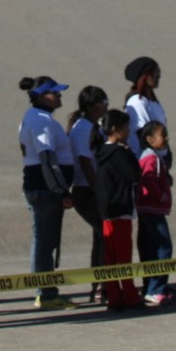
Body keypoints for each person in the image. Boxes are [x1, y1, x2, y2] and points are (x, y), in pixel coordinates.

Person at [18, 76, 75, 309]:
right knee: (43, 240)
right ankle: (45, 293)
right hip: (43, 189)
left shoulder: (40, 118)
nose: (60, 96)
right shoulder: (40, 120)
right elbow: (48, 159)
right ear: (41, 96)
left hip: (43, 188)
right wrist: (61, 190)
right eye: (55, 92)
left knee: (46, 240)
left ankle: (47, 290)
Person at [93, 109, 145, 310]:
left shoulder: (101, 153)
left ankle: (114, 297)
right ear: (116, 130)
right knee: (123, 256)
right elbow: (134, 174)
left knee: (111, 257)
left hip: (107, 211)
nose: (129, 131)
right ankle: (131, 296)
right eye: (126, 127)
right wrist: (129, 151)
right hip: (120, 209)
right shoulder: (119, 153)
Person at [66, 86, 109, 300]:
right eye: (103, 102)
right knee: (104, 232)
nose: (106, 106)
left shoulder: (96, 126)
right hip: (85, 190)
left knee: (101, 235)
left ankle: (99, 284)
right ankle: (100, 284)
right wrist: (97, 188)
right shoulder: (82, 127)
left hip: (94, 188)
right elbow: (84, 160)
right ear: (91, 106)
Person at [136, 121, 175, 306]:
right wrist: (159, 195)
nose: (166, 138)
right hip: (151, 209)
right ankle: (155, 289)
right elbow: (147, 179)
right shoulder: (150, 158)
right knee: (163, 247)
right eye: (163, 134)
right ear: (150, 140)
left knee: (154, 247)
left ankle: (152, 287)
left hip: (150, 209)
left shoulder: (153, 156)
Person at [123, 56, 165, 156]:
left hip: (158, 159)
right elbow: (144, 134)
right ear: (145, 77)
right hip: (146, 161)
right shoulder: (137, 101)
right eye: (155, 73)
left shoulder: (153, 102)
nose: (158, 76)